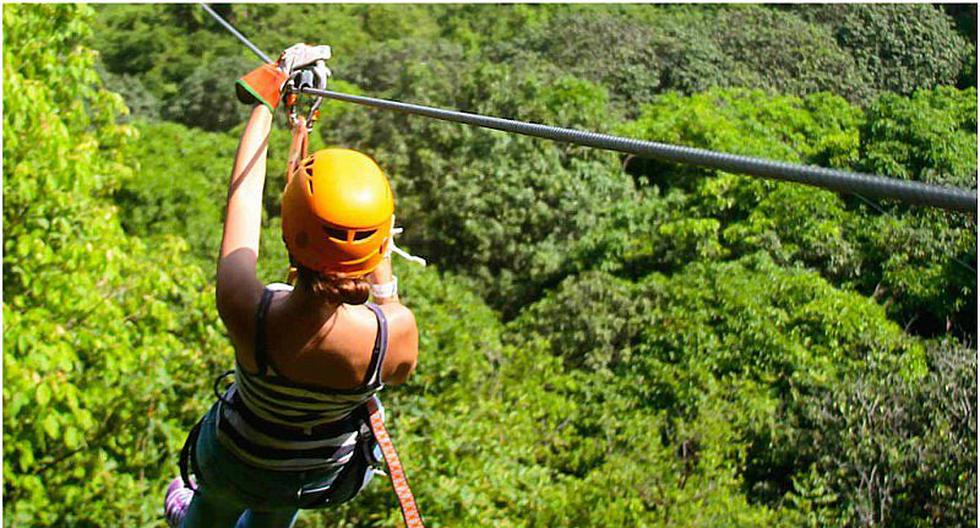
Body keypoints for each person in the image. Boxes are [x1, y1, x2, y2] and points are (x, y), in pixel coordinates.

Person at [163, 45, 419, 528]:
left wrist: (271, 90)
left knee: (213, 503)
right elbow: (392, 330)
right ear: (382, 241)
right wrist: (377, 254)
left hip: (234, 458)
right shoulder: (393, 334)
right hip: (315, 475)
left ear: (290, 231)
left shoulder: (250, 310)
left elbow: (243, 194)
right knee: (276, 509)